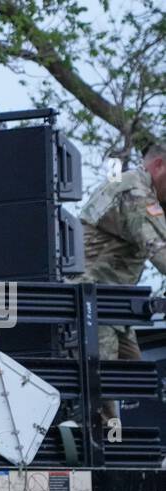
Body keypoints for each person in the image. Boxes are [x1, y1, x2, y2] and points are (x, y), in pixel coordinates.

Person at [75, 142, 166, 365]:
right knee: (102, 386)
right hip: (92, 302)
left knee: (136, 380)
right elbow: (159, 252)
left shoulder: (130, 182)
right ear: (160, 165)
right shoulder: (136, 193)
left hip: (111, 302)